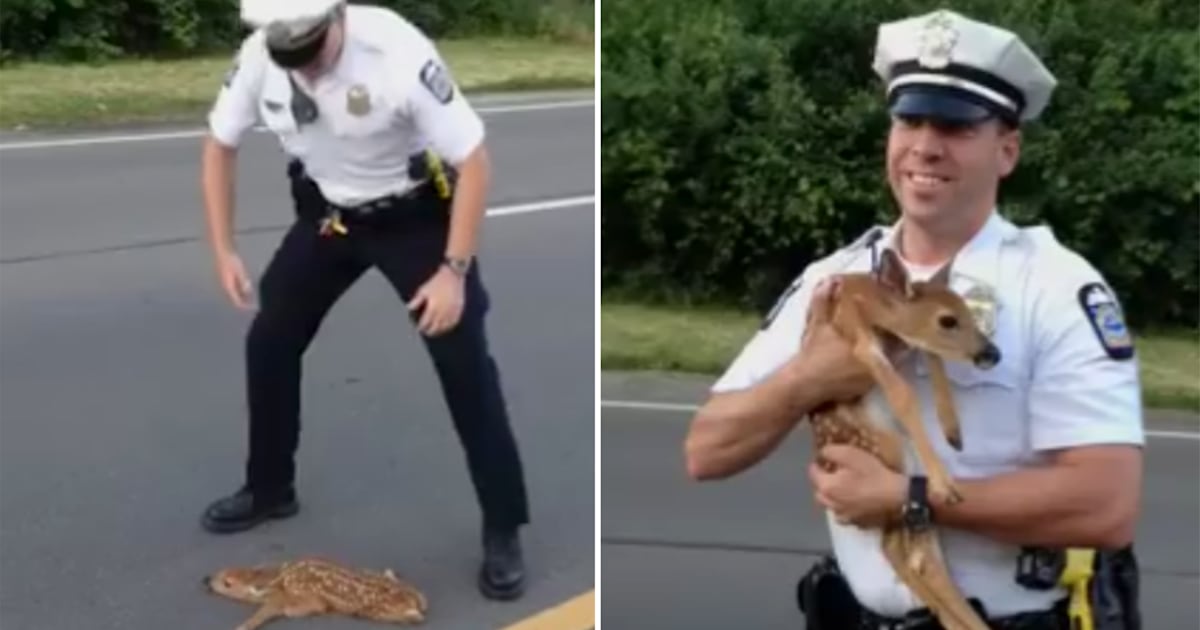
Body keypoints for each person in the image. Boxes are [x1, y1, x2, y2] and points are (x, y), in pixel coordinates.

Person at [684, 9, 1143, 628]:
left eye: (955, 127)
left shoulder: (1056, 288)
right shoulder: (834, 282)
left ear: (1007, 151)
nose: (925, 146)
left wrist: (911, 500)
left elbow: (1106, 505)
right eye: (910, 120)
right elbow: (706, 451)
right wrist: (812, 377)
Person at [198, 0, 530, 602]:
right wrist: (224, 250)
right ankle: (270, 487)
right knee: (270, 340)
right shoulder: (258, 57)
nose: (306, 71)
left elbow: (475, 163)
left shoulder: (397, 54)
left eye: (314, 54)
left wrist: (453, 272)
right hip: (330, 217)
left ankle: (503, 526)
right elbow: (219, 145)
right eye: (292, 60)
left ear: (337, 18)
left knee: (463, 366)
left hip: (414, 218)